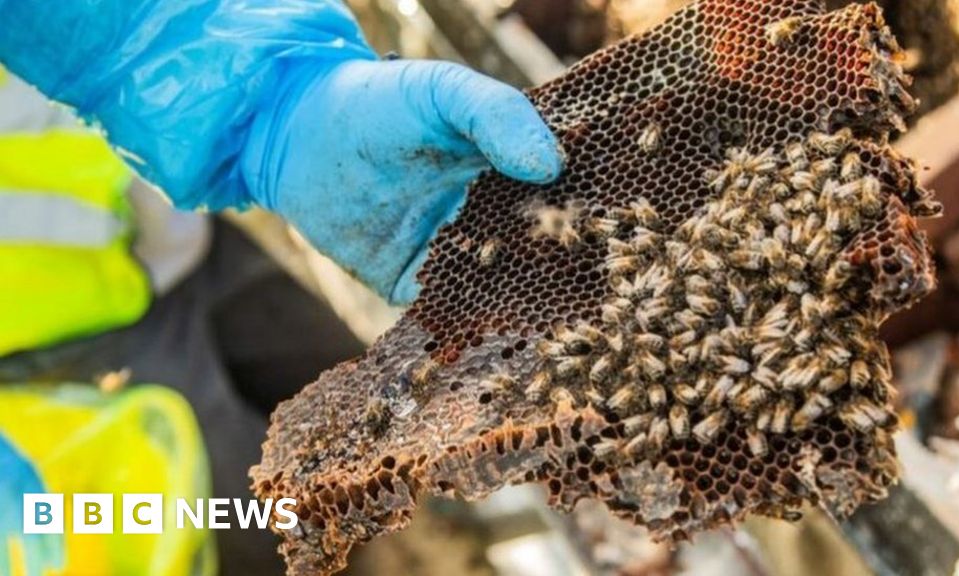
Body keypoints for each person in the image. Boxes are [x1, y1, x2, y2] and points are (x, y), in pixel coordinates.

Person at [0, 0, 562, 574]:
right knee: (262, 523)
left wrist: (268, 97)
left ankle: (436, 531)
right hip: (50, 349)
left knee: (371, 408)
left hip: (166, 234)